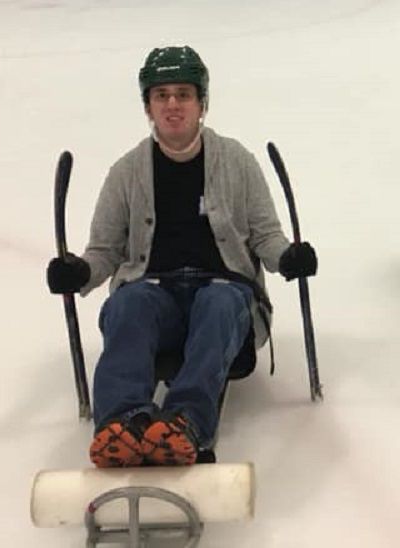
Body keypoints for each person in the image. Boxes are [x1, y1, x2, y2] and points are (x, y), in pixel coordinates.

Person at [46, 45, 318, 467]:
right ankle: (121, 425)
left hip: (223, 294)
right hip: (156, 296)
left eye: (183, 94)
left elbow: (266, 236)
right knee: (129, 302)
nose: (173, 104)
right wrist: (79, 272)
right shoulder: (127, 171)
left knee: (220, 299)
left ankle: (185, 424)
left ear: (202, 103)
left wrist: (287, 259)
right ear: (148, 107)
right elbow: (104, 251)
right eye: (162, 95)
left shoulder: (237, 162)